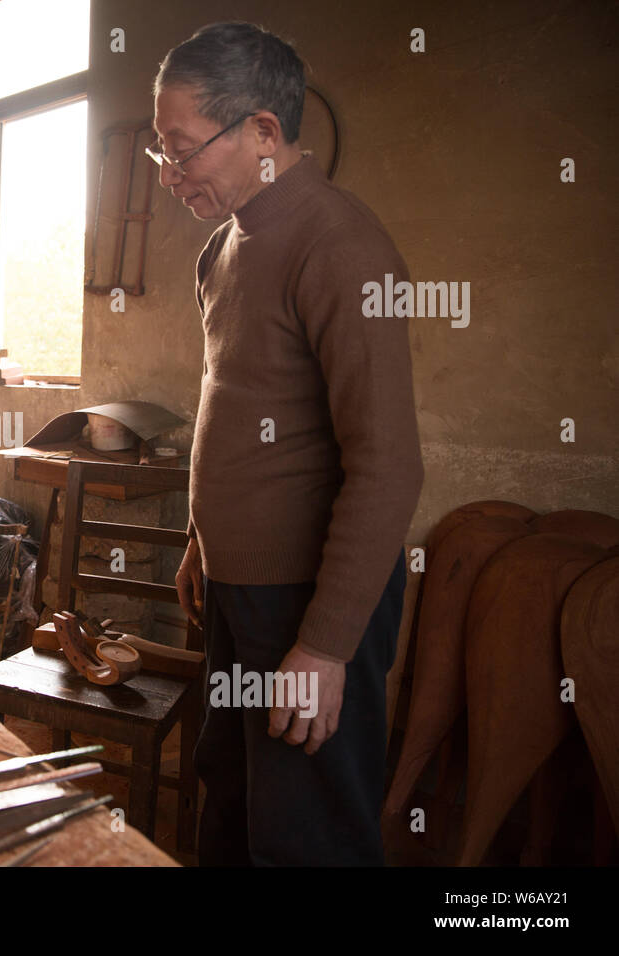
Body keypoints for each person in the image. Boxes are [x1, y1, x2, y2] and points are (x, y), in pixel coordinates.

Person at [155, 23, 424, 865]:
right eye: (159, 153)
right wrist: (206, 541)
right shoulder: (221, 250)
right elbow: (233, 408)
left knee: (305, 832)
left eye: (183, 149)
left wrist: (325, 645)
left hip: (310, 603)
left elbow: (388, 466)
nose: (171, 174)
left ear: (263, 133)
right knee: (232, 799)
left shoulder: (342, 246)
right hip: (241, 589)